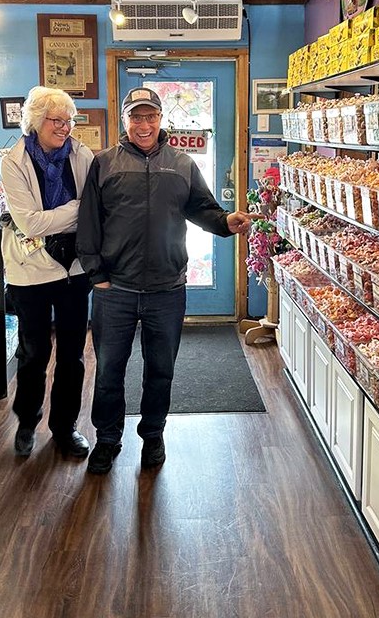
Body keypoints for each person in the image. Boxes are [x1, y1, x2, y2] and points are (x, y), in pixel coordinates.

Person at [77, 87, 253, 474]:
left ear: (161, 120)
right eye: (136, 117)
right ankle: (107, 438)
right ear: (125, 120)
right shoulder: (103, 163)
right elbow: (88, 221)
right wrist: (97, 275)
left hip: (166, 290)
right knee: (108, 370)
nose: (144, 124)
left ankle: (153, 434)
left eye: (150, 116)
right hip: (115, 290)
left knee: (161, 370)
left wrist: (226, 223)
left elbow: (202, 208)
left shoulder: (182, 163)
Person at [0, 86, 94, 458]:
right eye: (57, 120)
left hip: (73, 268)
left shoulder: (82, 155)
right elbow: (30, 223)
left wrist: (67, 214)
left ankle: (65, 427)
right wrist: (77, 208)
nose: (65, 127)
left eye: (69, 120)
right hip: (29, 271)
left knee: (72, 354)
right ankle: (27, 421)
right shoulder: (15, 161)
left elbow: (93, 209)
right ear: (36, 121)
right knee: (34, 351)